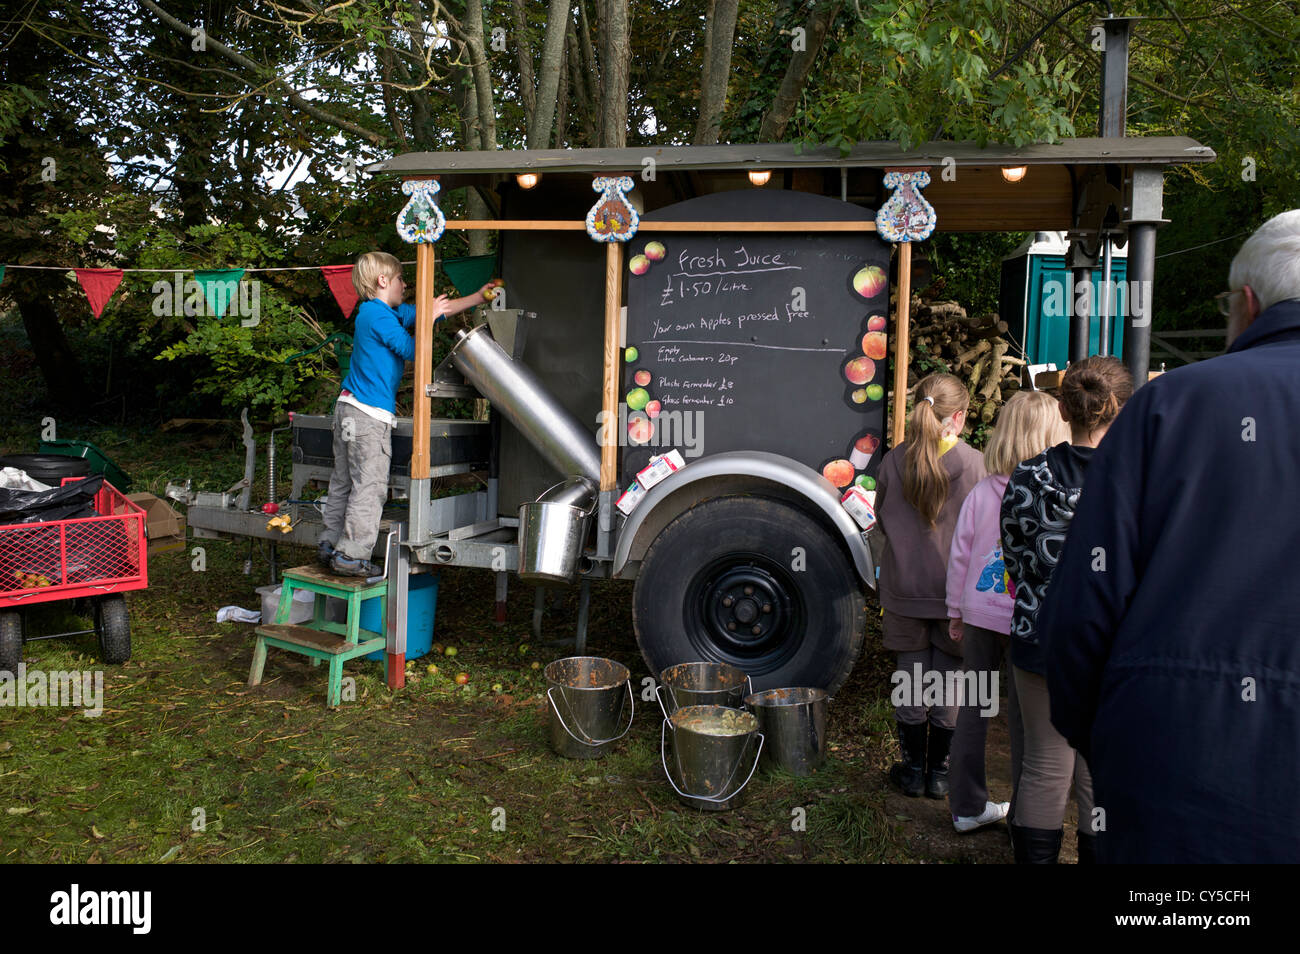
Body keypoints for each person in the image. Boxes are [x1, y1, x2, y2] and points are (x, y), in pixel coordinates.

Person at [1039, 209, 1300, 863]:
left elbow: (1081, 610)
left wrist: (1111, 733)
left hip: (1179, 765)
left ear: (1245, 304)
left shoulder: (1169, 406)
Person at [999, 355, 1132, 862]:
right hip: (1112, 644)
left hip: (1040, 637)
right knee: (1100, 773)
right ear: (1123, 411)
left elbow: (1013, 555)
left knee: (1044, 768)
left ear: (1061, 407)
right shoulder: (1137, 478)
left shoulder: (1028, 474)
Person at [319, 251, 493, 576]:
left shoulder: (379, 312)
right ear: (383, 280)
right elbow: (412, 350)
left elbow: (432, 312)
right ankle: (352, 556)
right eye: (400, 278)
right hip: (368, 414)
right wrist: (428, 320)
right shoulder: (379, 316)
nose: (405, 284)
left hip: (349, 409)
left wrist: (476, 297)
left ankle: (330, 545)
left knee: (344, 482)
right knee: (369, 486)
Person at [945, 390, 1068, 833]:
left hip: (978, 614)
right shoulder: (1053, 495)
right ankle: (1026, 816)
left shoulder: (981, 491)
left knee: (973, 707)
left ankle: (965, 807)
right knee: (1026, 722)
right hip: (1025, 618)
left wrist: (954, 610)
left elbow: (960, 555)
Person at [876, 373, 986, 798]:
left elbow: (882, 519)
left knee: (911, 674)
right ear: (957, 417)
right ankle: (940, 774)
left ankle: (911, 770)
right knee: (951, 678)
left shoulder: (892, 461)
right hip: (956, 597)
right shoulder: (974, 464)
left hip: (904, 590)